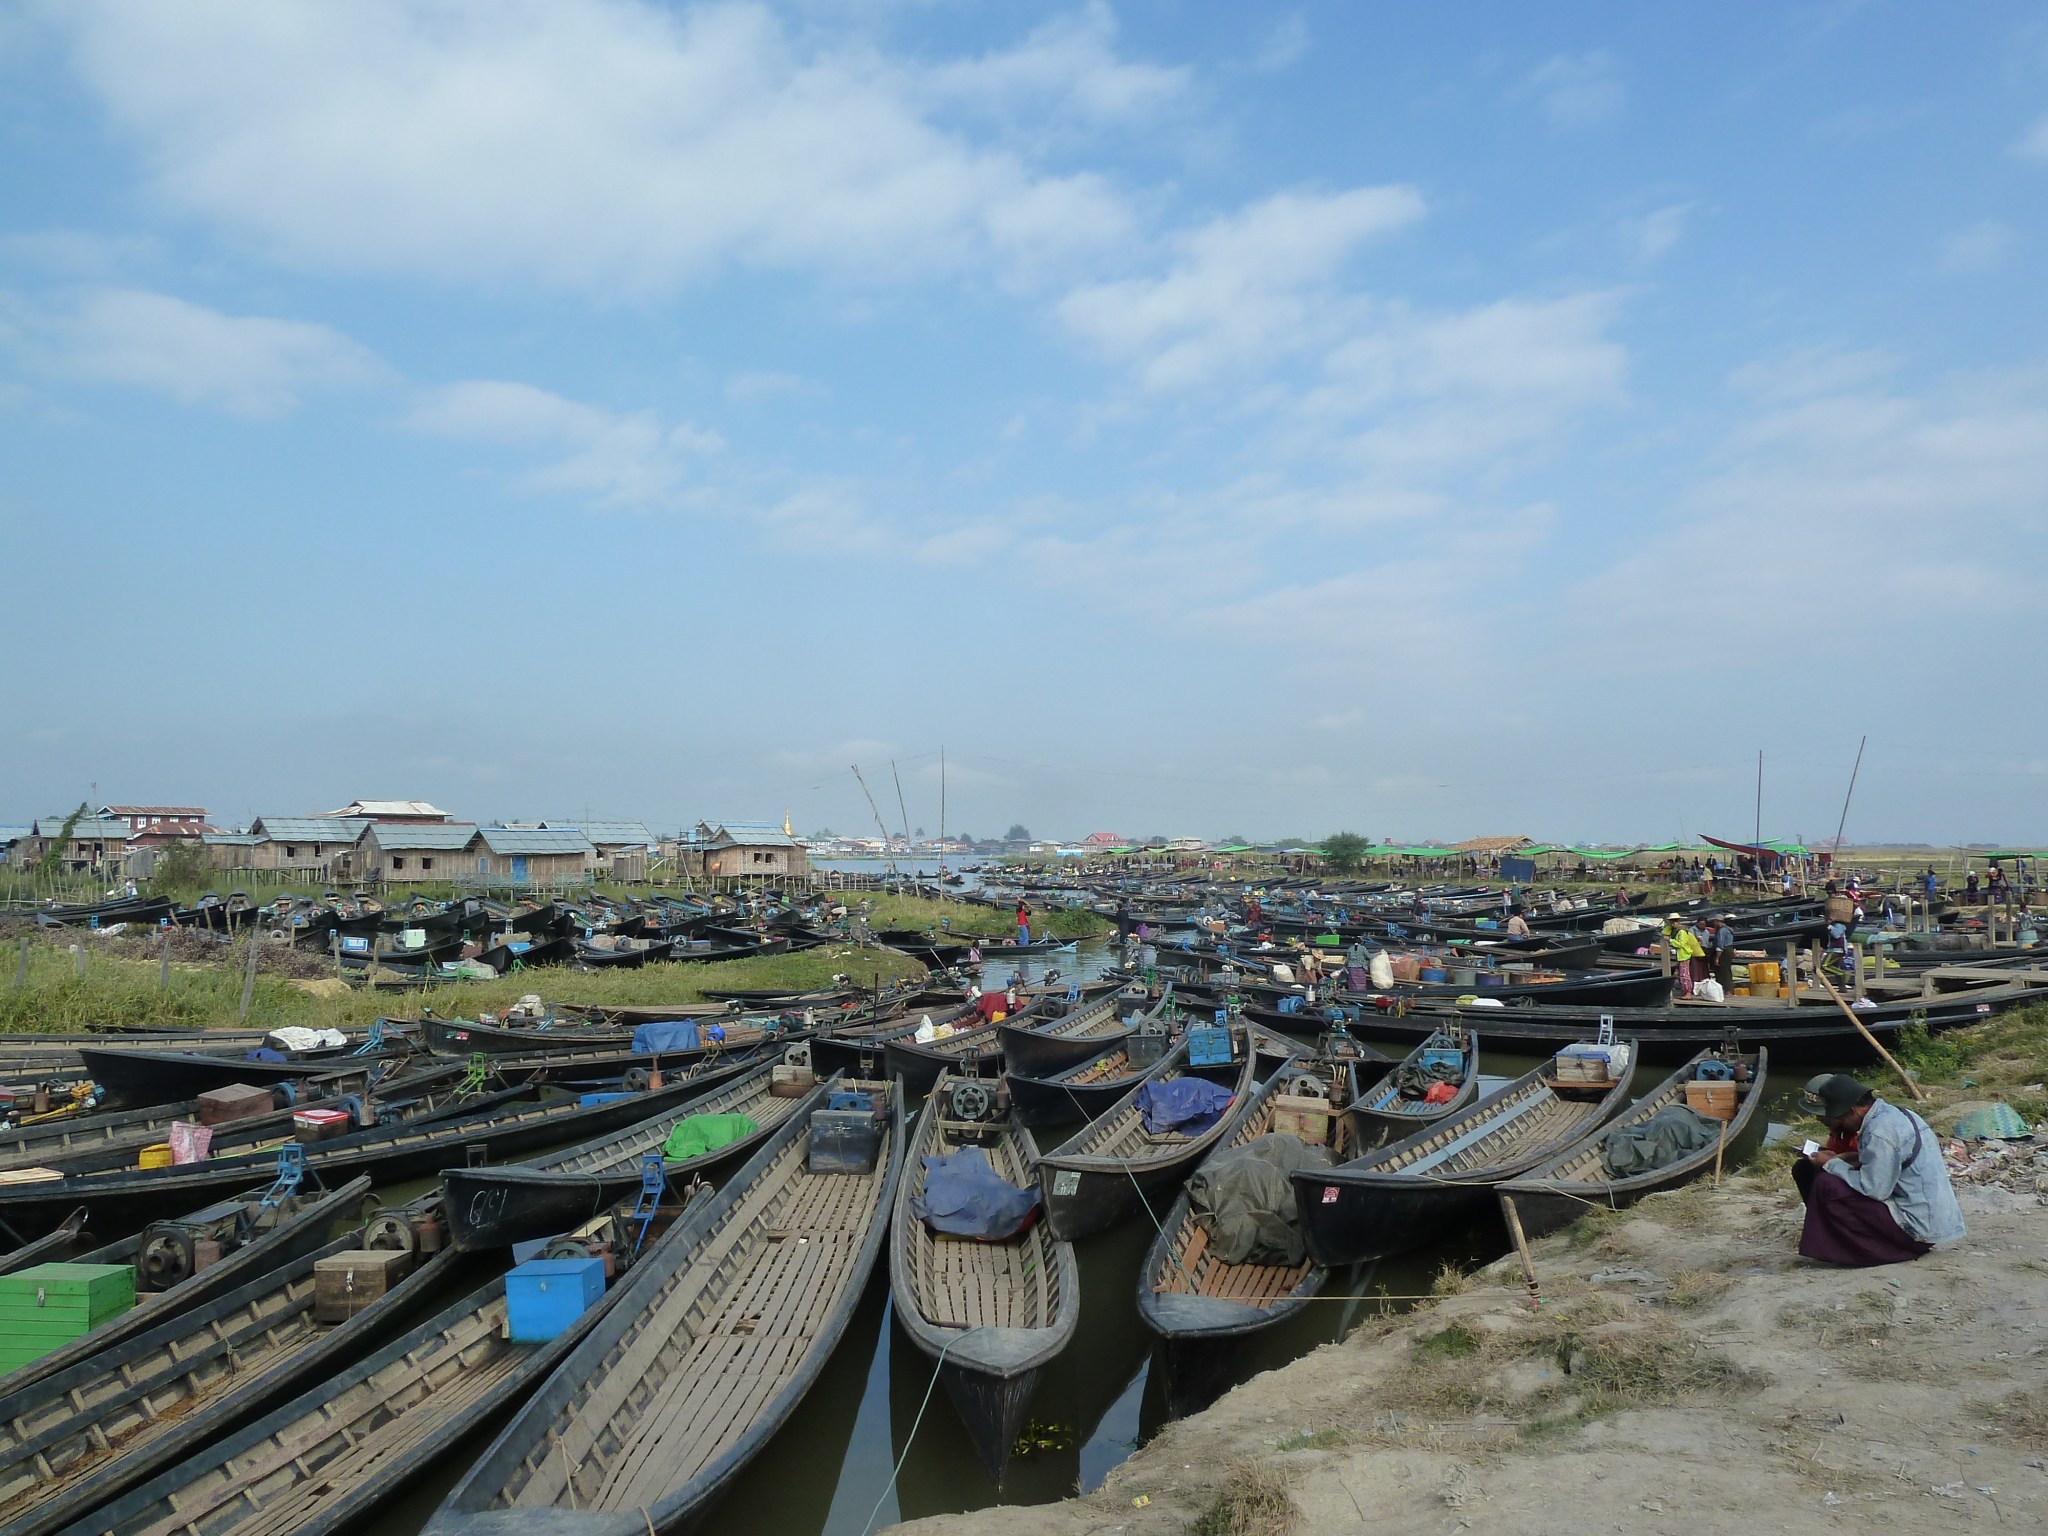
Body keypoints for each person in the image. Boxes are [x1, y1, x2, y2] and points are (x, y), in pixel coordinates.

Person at [1792, 1074, 1963, 1266]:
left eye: (1839, 1118)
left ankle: (1867, 1250)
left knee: (1827, 1183)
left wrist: (1832, 1164)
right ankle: (1834, 1239)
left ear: (1853, 1111)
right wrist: (1852, 1158)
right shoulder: (1893, 1114)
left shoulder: (1879, 1132)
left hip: (1918, 1229)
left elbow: (1874, 1189)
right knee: (1807, 1170)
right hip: (1927, 1218)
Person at [1664, 913, 1704, 995]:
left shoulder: (1682, 932)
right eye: (1671, 921)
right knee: (1681, 975)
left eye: (1675, 921)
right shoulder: (1675, 930)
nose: (1673, 923)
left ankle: (1688, 992)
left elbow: (1681, 944)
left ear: (1678, 921)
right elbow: (1664, 932)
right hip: (1680, 956)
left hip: (1684, 955)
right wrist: (1668, 927)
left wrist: (1670, 940)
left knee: (1684, 975)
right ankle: (1685, 991)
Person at [1710, 916, 1736, 990]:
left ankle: (1725, 989)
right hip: (1729, 950)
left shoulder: (1722, 931)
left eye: (1714, 922)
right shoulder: (1729, 929)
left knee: (1722, 971)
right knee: (1727, 970)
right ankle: (1728, 989)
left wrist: (1717, 958)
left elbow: (1720, 945)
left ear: (1717, 921)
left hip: (1724, 952)